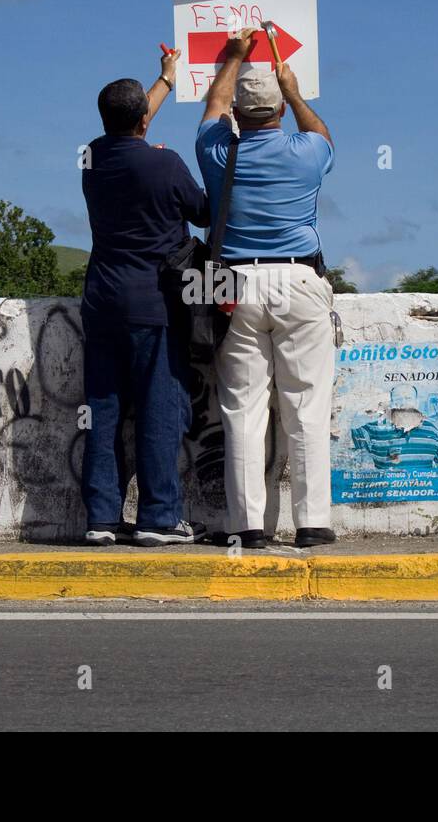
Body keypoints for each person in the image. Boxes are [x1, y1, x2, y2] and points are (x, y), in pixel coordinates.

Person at [194, 27, 337, 549]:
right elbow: (321, 131)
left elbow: (213, 106)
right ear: (278, 111)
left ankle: (247, 526)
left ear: (239, 115)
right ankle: (312, 523)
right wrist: (294, 89)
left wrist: (232, 57)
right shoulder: (306, 153)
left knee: (243, 410)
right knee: (305, 407)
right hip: (299, 279)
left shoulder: (217, 154)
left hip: (237, 285)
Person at [80, 47, 210, 547]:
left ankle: (101, 519)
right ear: (144, 122)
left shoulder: (91, 159)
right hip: (153, 306)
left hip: (102, 303)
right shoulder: (166, 165)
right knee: (159, 409)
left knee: (104, 409)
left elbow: (131, 122)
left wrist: (166, 79)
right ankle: (158, 518)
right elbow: (201, 212)